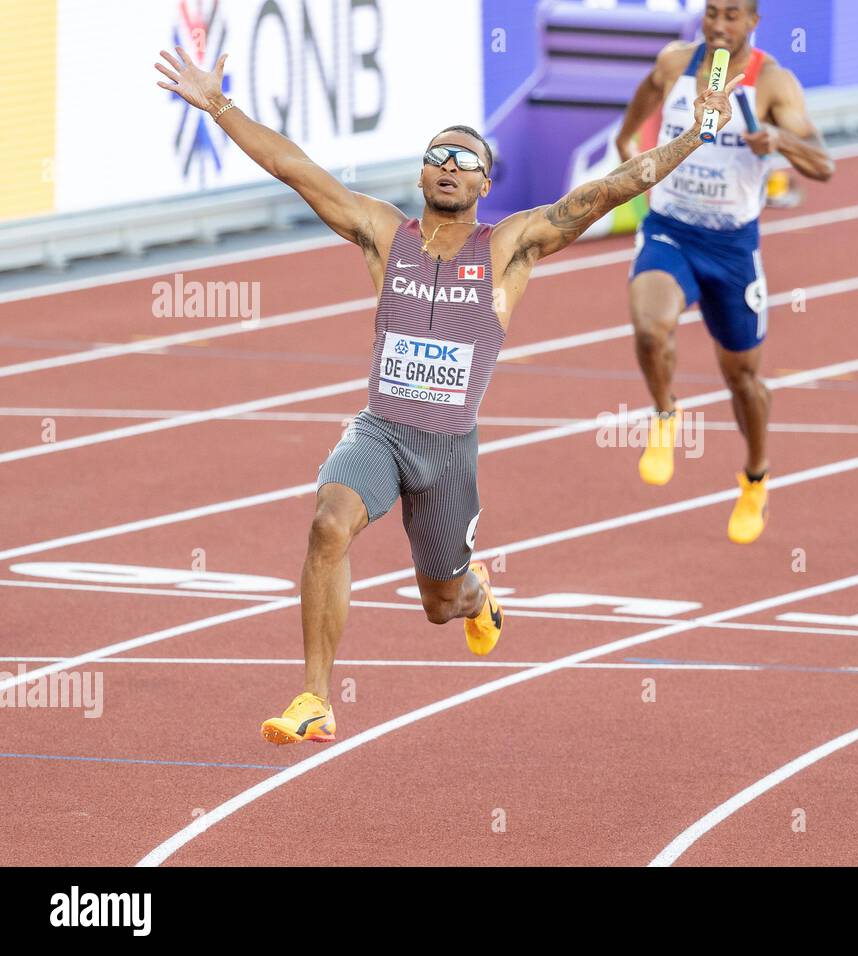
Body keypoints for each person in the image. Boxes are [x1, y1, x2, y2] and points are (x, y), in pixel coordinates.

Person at [154, 45, 740, 745]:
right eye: (440, 155)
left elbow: (608, 192)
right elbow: (294, 168)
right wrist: (217, 104)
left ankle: (476, 594)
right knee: (327, 525)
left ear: (486, 183)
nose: (451, 167)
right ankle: (315, 697)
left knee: (441, 604)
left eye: (466, 161)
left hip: (447, 452)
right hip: (380, 431)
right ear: (422, 172)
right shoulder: (380, 231)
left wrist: (693, 134)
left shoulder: (510, 245)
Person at [613, 0, 833, 544]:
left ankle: (755, 476)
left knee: (742, 379)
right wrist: (626, 142)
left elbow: (823, 164)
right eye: (711, 12)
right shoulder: (676, 64)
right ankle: (666, 414)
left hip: (733, 248)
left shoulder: (773, 83)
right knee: (649, 329)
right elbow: (644, 97)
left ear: (752, 23)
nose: (717, 24)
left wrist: (777, 142)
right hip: (670, 231)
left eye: (731, 15)